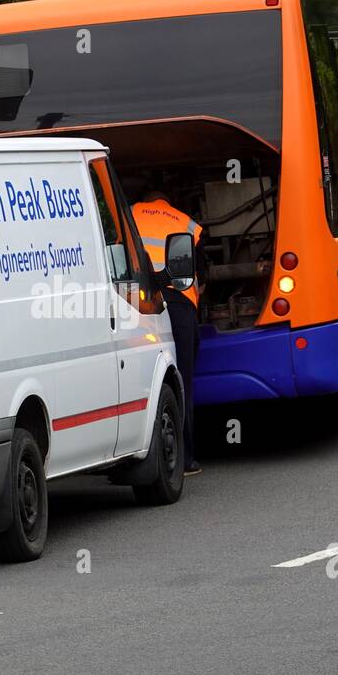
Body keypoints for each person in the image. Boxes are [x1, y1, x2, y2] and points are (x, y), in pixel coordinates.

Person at [130, 183, 205, 477]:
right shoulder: (184, 222)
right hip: (178, 304)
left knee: (142, 378)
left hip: (136, 302)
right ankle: (186, 460)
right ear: (167, 202)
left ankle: (140, 451)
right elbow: (200, 274)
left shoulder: (127, 215)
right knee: (182, 379)